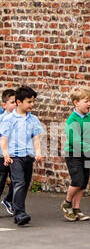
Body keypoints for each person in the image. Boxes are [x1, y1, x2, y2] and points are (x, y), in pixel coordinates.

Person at [0, 87, 44, 226]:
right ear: (19, 102)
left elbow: (36, 138)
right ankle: (20, 214)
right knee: (18, 183)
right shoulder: (9, 119)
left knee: (25, 184)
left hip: (28, 157)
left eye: (33, 102)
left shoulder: (33, 119)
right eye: (29, 102)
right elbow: (4, 139)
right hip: (15, 157)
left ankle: (16, 207)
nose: (32, 104)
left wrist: (38, 152)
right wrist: (6, 155)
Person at [62, 88, 90, 222]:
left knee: (83, 183)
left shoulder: (89, 118)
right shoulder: (72, 120)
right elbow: (75, 141)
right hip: (73, 153)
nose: (89, 104)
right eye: (86, 101)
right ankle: (67, 203)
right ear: (76, 103)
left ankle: (76, 209)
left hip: (85, 154)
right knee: (77, 181)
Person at [0, 89, 16, 214]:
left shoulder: (19, 118)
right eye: (12, 102)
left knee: (17, 181)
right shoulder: (2, 119)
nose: (15, 104)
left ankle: (9, 200)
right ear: (4, 105)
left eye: (16, 102)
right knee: (1, 181)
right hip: (1, 155)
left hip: (15, 155)